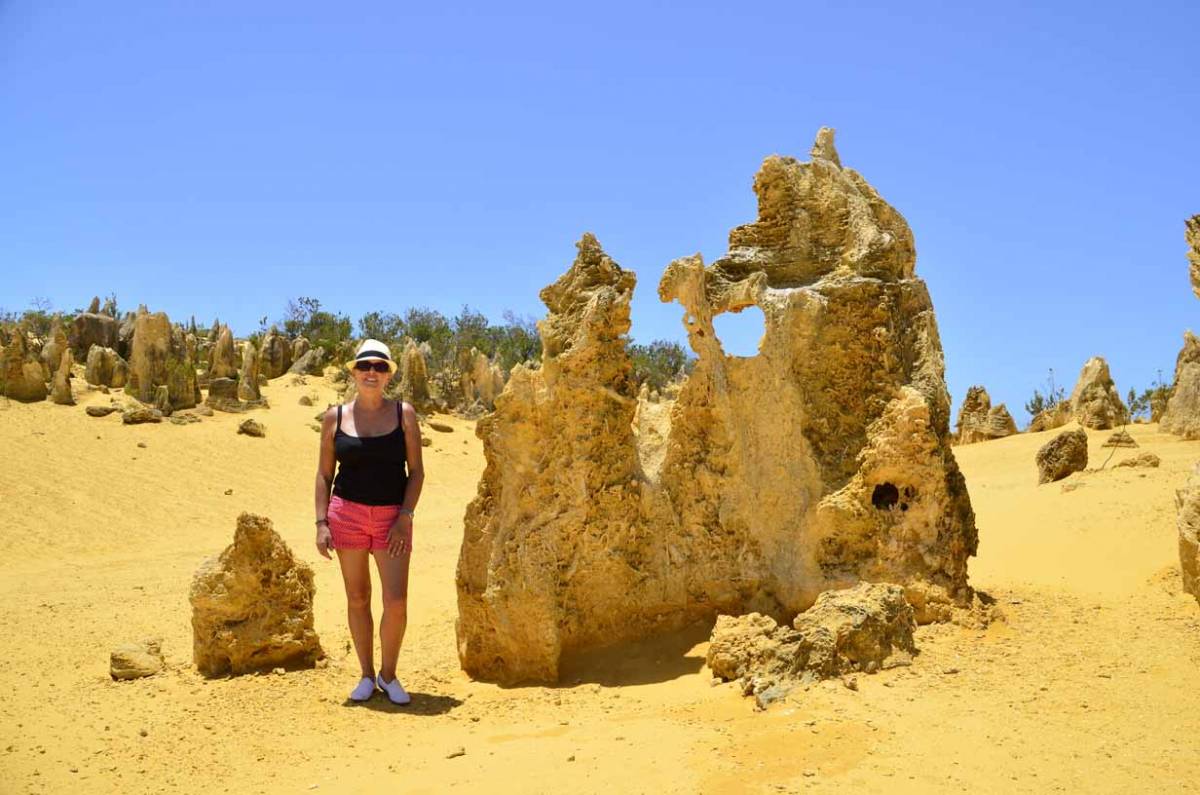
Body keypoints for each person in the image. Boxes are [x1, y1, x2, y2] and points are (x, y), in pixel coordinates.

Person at [314, 339, 424, 704]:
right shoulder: (335, 417)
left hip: (393, 517)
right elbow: (323, 475)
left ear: (389, 374)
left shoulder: (403, 414)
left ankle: (388, 675)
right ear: (354, 372)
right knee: (358, 597)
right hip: (346, 515)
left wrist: (405, 517)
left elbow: (417, 472)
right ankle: (364, 675)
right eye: (365, 366)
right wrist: (321, 522)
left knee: (396, 601)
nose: (371, 372)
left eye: (379, 366)